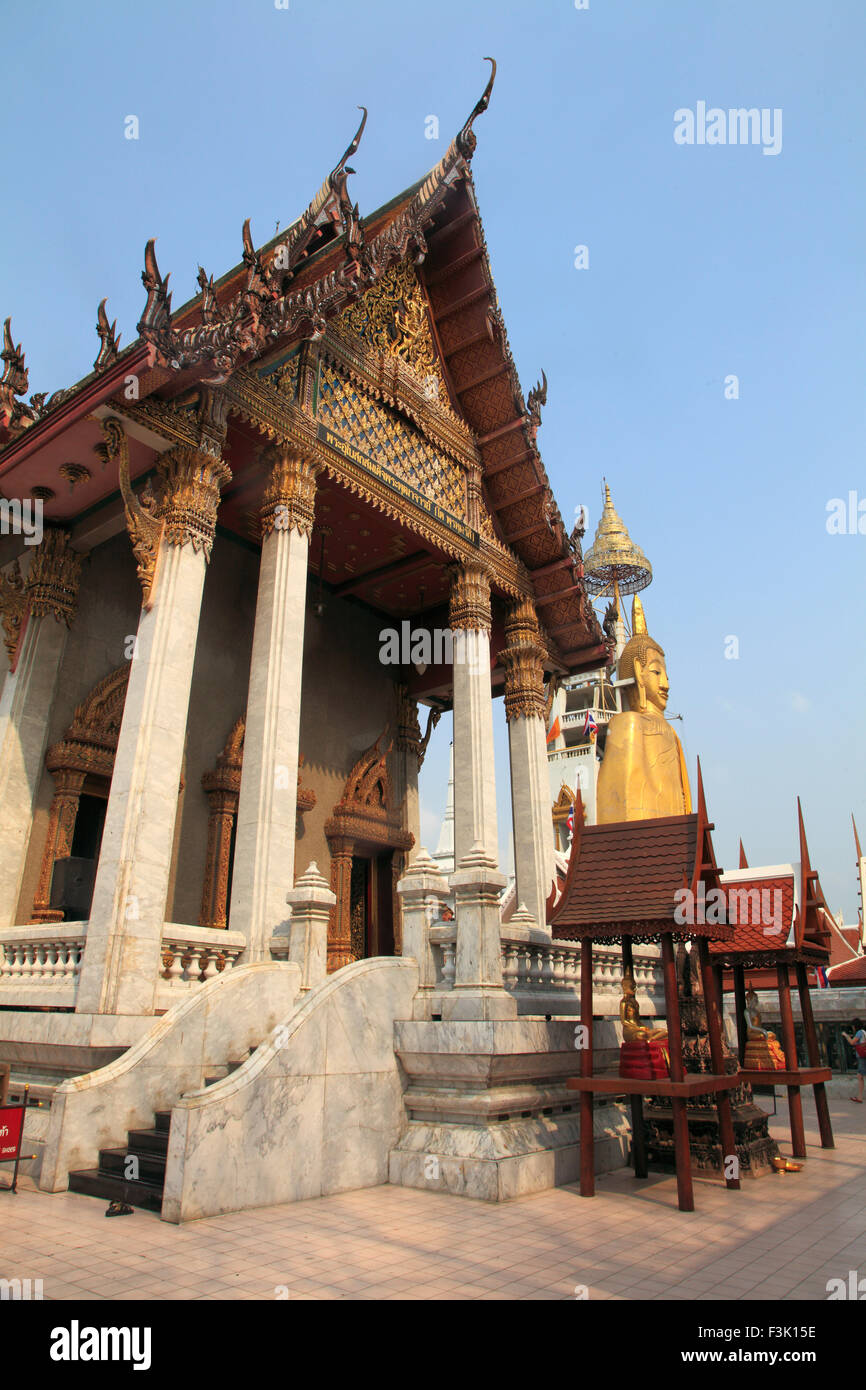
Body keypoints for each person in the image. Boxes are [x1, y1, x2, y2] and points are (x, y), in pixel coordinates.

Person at [841, 1018, 866, 1102]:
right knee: (860, 1076)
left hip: (862, 1057)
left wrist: (846, 1035)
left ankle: (860, 1097)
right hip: (863, 1056)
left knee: (860, 1076)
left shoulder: (859, 1032)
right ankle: (859, 1097)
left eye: (853, 1026)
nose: (852, 1028)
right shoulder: (864, 1032)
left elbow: (852, 1042)